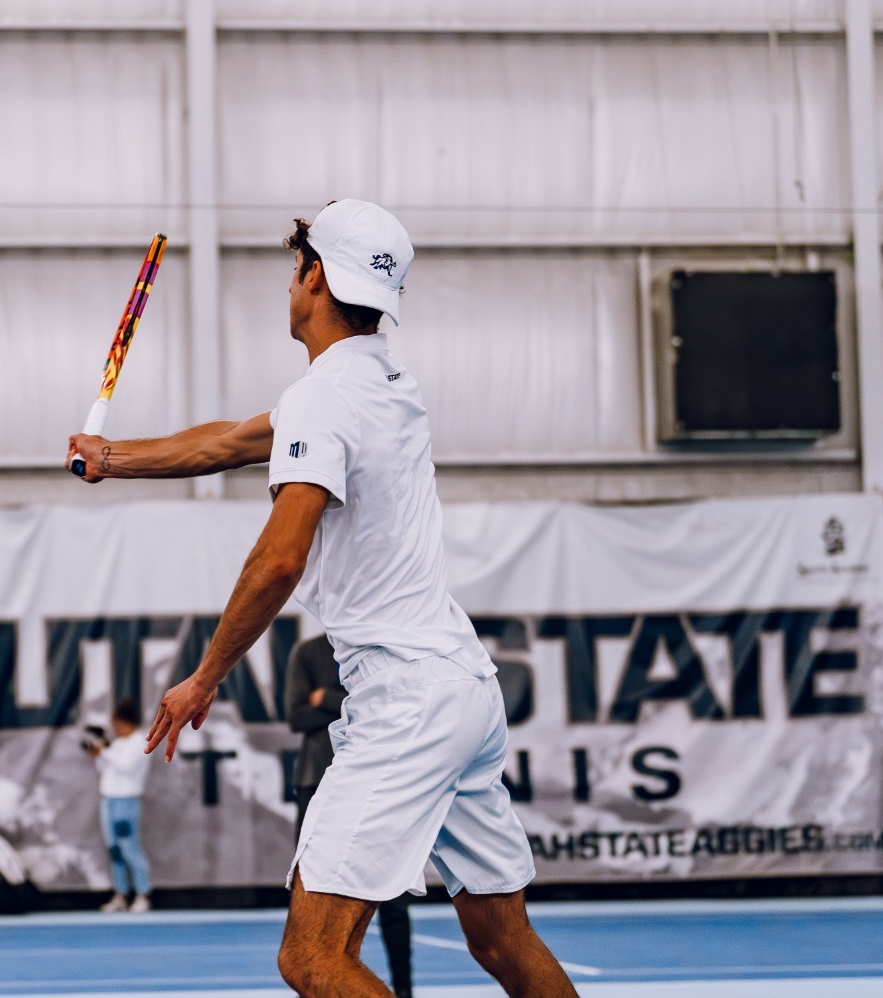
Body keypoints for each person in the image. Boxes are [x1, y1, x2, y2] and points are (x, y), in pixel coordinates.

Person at [67, 200, 576, 998]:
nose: (290, 281)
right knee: (503, 936)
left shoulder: (325, 396)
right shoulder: (380, 380)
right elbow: (230, 442)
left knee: (312, 957)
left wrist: (204, 675)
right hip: (463, 687)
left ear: (313, 276)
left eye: (295, 265)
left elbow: (279, 560)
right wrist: (112, 459)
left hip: (404, 700)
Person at [289, 631, 413, 998]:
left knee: (393, 898)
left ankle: (405, 991)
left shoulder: (385, 648)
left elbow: (395, 708)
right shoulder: (309, 651)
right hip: (317, 783)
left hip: (377, 782)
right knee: (311, 898)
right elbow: (296, 716)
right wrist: (356, 705)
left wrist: (325, 698)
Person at [86, 697, 153, 914]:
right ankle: (121, 894)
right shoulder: (117, 744)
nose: (115, 728)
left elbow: (125, 767)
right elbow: (104, 768)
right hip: (109, 801)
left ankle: (142, 894)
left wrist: (104, 752)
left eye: (117, 723)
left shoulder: (140, 742)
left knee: (129, 847)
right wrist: (99, 754)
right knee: (114, 849)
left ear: (125, 722)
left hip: (126, 802)